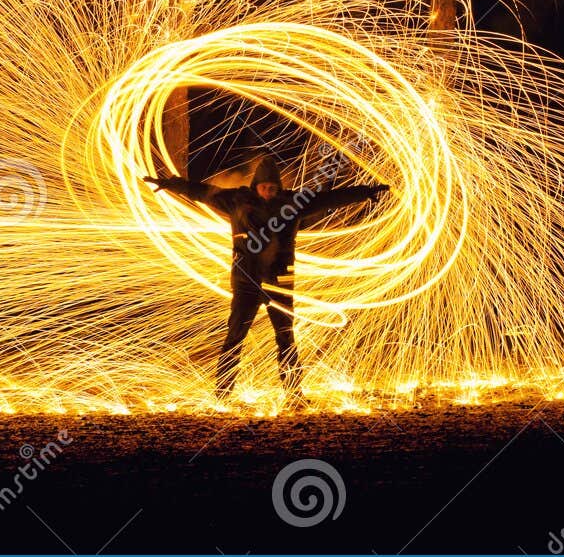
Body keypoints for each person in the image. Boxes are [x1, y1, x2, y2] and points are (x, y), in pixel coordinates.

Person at [144, 156, 389, 401]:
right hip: (245, 281)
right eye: (264, 187)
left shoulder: (294, 204)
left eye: (273, 188)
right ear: (255, 186)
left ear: (279, 188)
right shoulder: (236, 200)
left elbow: (328, 199)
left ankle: (294, 393)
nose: (268, 192)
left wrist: (364, 192)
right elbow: (201, 191)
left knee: (286, 337)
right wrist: (171, 185)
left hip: (280, 280)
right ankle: (222, 394)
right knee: (235, 337)